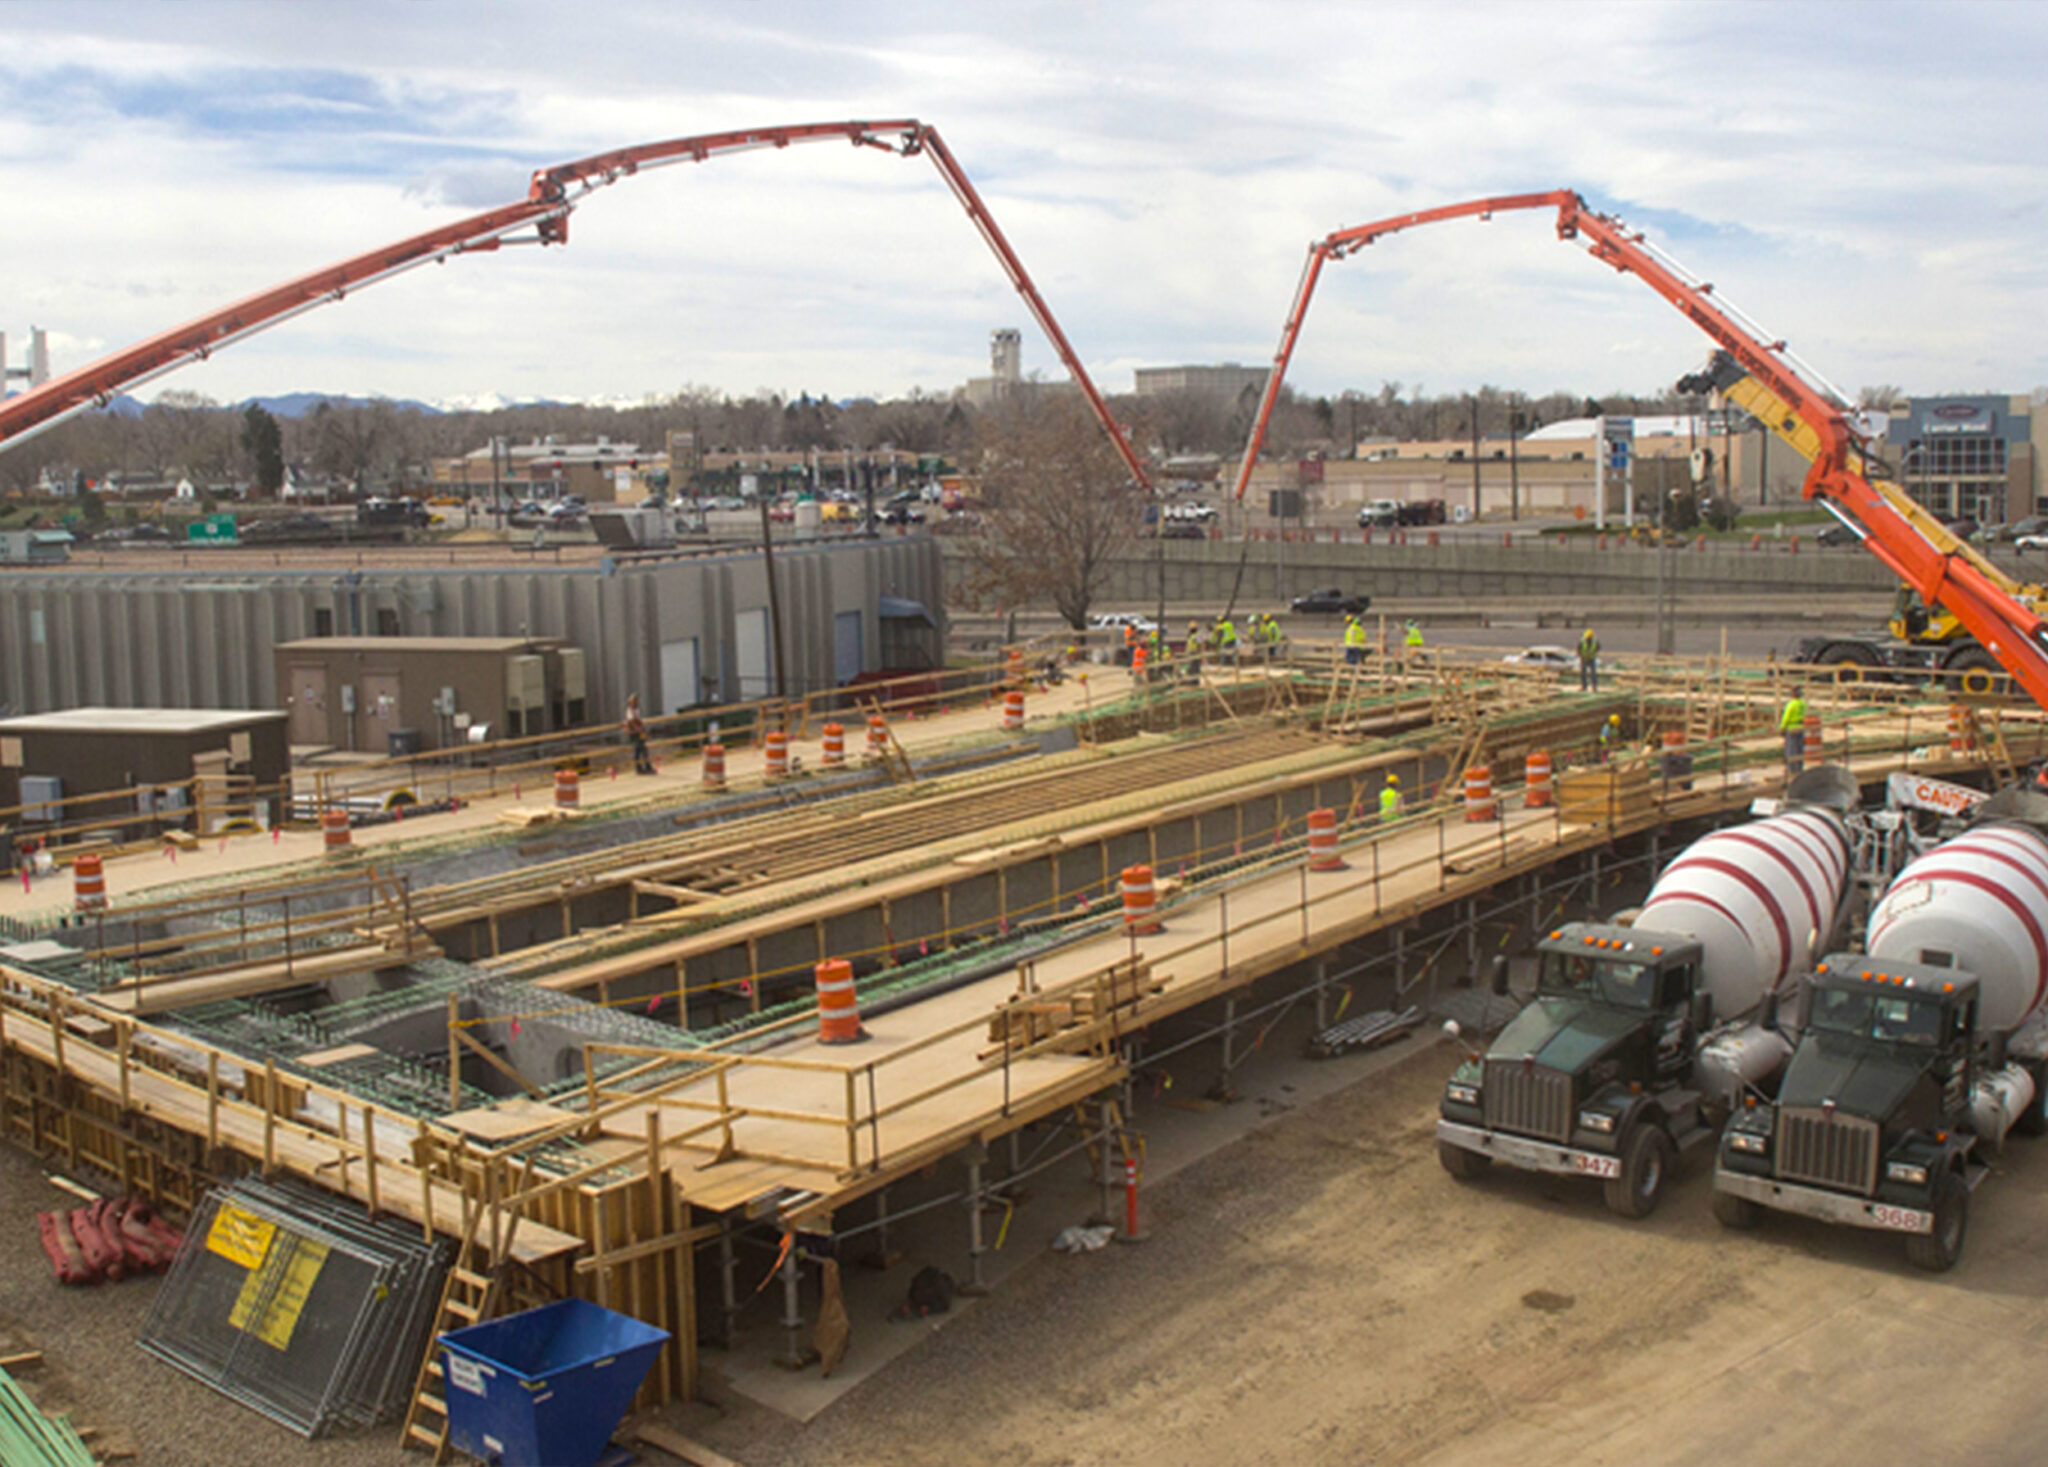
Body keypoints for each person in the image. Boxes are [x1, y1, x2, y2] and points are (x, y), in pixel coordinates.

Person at [1780, 683, 1809, 776]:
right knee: (1799, 748)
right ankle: (1799, 767)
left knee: (1791, 749)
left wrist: (1782, 727)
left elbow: (1786, 717)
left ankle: (1792, 769)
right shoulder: (1803, 704)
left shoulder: (1791, 705)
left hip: (1791, 728)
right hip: (1800, 727)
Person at [623, 692, 654, 775]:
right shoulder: (630, 710)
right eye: (633, 701)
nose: (635, 702)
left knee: (640, 750)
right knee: (641, 750)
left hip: (638, 731)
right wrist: (639, 730)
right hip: (635, 733)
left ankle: (641, 768)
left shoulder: (636, 710)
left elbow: (637, 721)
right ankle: (643, 767)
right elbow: (631, 721)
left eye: (636, 701)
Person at [1578, 626, 1600, 692]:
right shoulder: (1582, 641)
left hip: (1591, 658)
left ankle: (1594, 686)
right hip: (1584, 658)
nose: (1587, 638)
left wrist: (1593, 654)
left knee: (1593, 673)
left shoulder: (1595, 642)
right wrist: (1581, 657)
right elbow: (1578, 649)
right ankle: (1583, 686)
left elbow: (1597, 648)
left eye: (1589, 638)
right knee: (1582, 673)